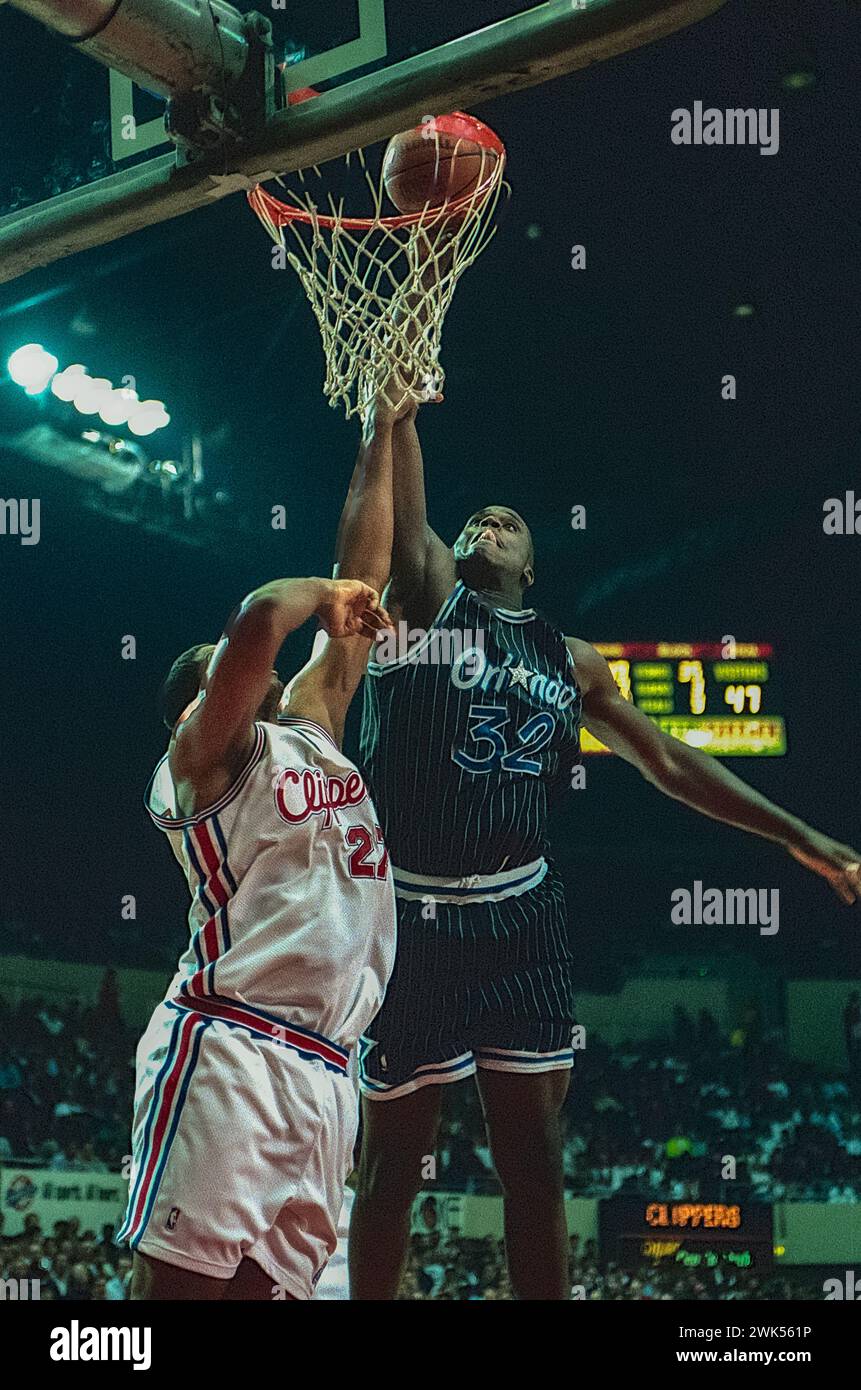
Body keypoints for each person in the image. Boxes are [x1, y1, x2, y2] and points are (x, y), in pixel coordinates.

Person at [345, 397, 861, 1301]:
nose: (489, 523)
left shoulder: (571, 659)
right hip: (411, 914)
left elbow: (666, 759)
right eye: (478, 520)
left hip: (522, 919)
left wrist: (800, 838)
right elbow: (407, 518)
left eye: (508, 524)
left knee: (536, 1163)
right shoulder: (425, 604)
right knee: (393, 1168)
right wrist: (398, 408)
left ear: (532, 568)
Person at [117, 395, 407, 1300]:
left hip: (328, 1070)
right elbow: (257, 618)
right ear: (196, 706)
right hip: (230, 1047)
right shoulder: (201, 763)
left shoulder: (313, 730)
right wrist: (322, 597)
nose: (260, 671)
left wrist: (383, 424)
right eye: (227, 673)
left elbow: (362, 573)